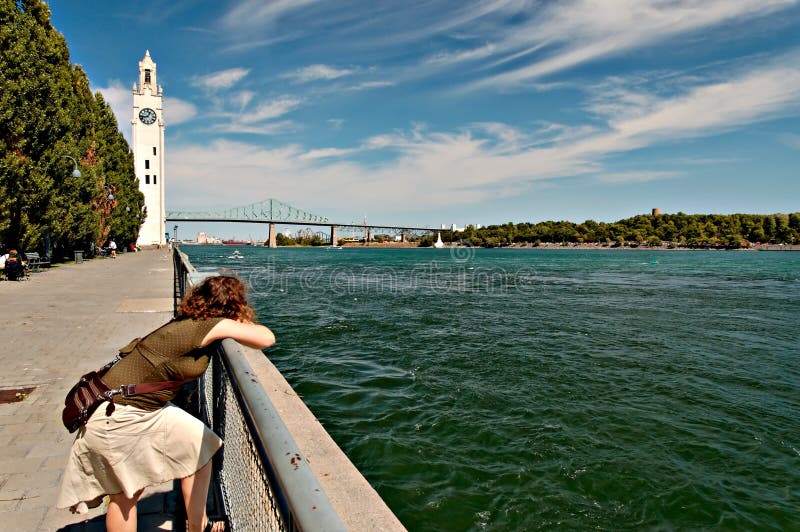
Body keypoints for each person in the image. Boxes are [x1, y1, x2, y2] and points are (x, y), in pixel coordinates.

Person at [57, 275, 275, 532]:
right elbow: (266, 338)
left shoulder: (187, 321)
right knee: (126, 494)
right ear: (233, 305)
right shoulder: (210, 326)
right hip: (120, 415)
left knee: (199, 447)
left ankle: (199, 525)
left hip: (117, 406)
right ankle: (198, 525)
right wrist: (238, 318)